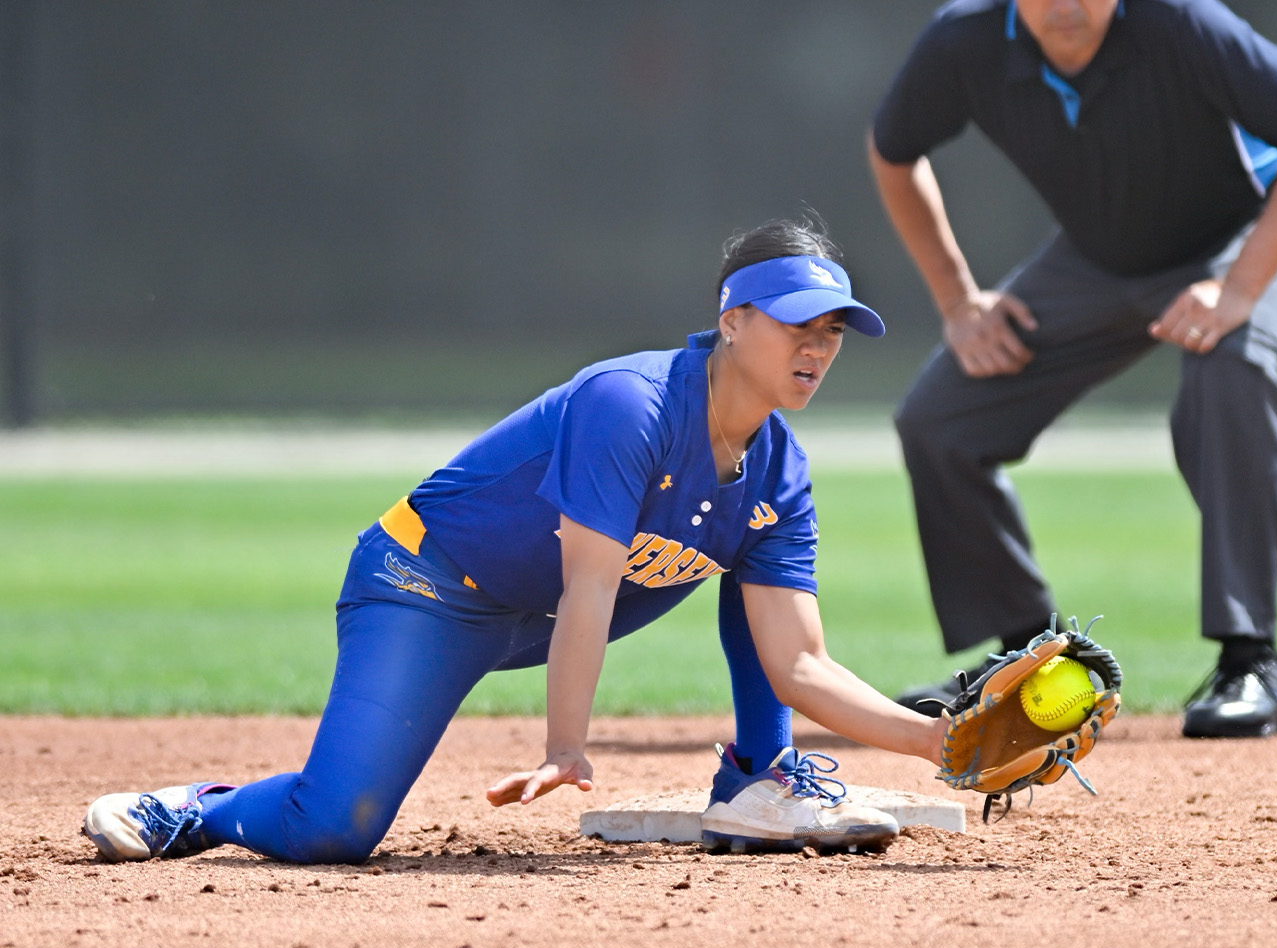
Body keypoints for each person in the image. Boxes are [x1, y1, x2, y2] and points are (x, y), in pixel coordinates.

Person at [81, 219, 954, 864]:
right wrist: (565, 747)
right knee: (334, 827)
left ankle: (760, 778)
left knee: (750, 559)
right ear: (731, 320)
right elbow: (590, 591)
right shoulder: (633, 405)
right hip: (427, 586)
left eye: (833, 329)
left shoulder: (779, 470)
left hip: (539, 611)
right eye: (795, 320)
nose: (817, 344)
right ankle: (197, 810)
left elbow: (799, 664)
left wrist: (935, 742)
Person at [868, 0, 1277, 738]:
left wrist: (1237, 290)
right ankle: (1029, 659)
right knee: (939, 418)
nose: (1067, 6)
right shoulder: (963, 42)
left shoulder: (1179, 22)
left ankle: (1252, 662)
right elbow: (894, 151)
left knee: (1229, 365)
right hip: (1100, 256)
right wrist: (958, 300)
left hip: (1244, 229)